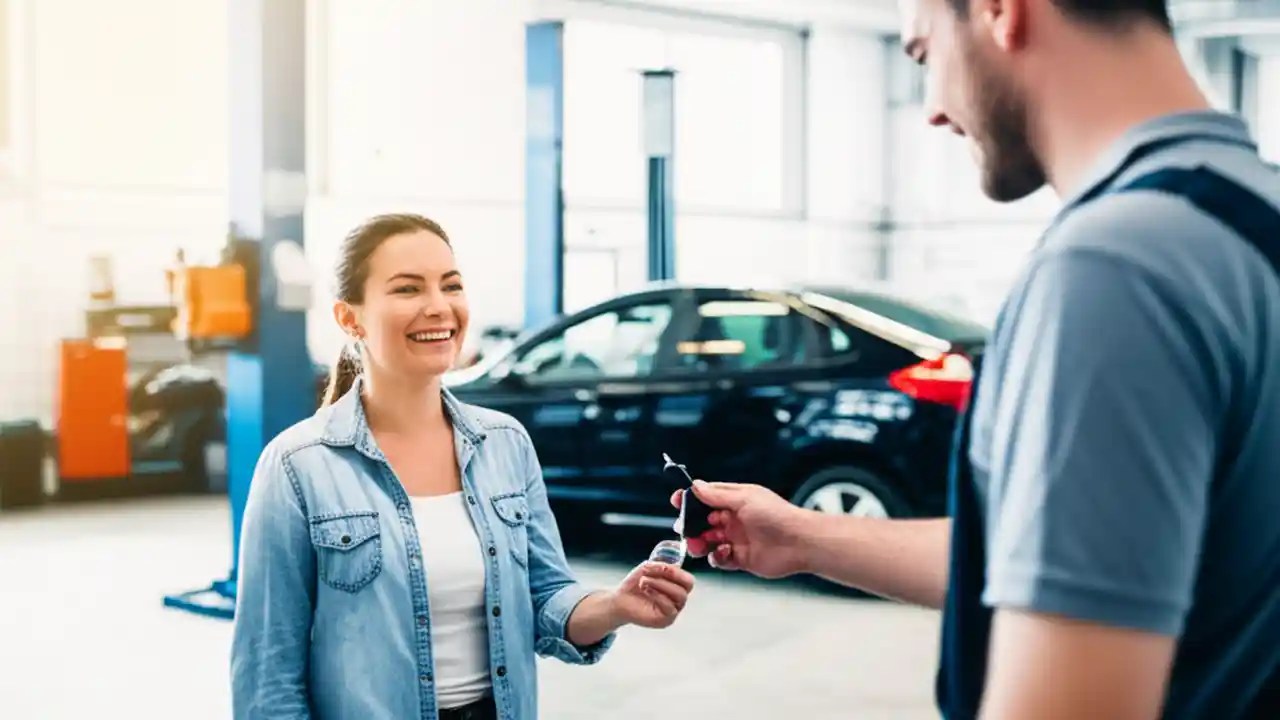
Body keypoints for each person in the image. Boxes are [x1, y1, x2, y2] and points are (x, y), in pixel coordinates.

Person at [673, 1, 1280, 717]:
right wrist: (806, 537)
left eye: (925, 53)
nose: (932, 110)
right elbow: (1103, 561)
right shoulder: (1249, 218)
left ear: (999, 10)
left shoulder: (1114, 268)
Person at [232, 213, 696, 720]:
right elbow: (267, 674)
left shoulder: (504, 444)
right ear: (350, 318)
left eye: (450, 285)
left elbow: (545, 598)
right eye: (408, 289)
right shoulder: (299, 466)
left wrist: (615, 606)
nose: (439, 307)